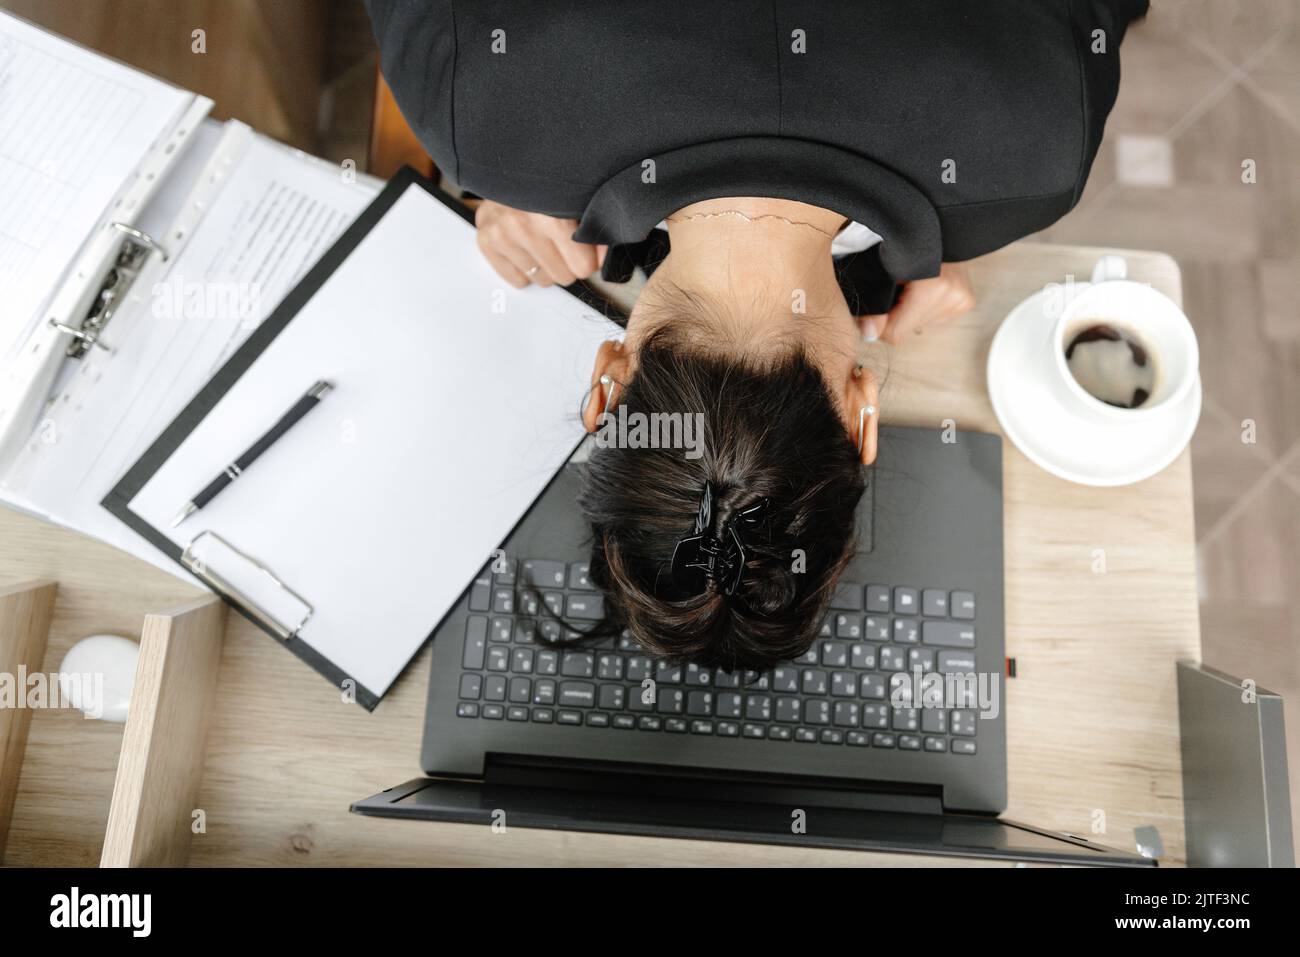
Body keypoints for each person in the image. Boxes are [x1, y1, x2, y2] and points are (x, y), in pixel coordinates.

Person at [365, 0, 1149, 669]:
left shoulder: (1036, 143)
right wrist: (509, 167)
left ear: (861, 413)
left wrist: (966, 213)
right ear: (605, 386)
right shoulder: (481, 103)